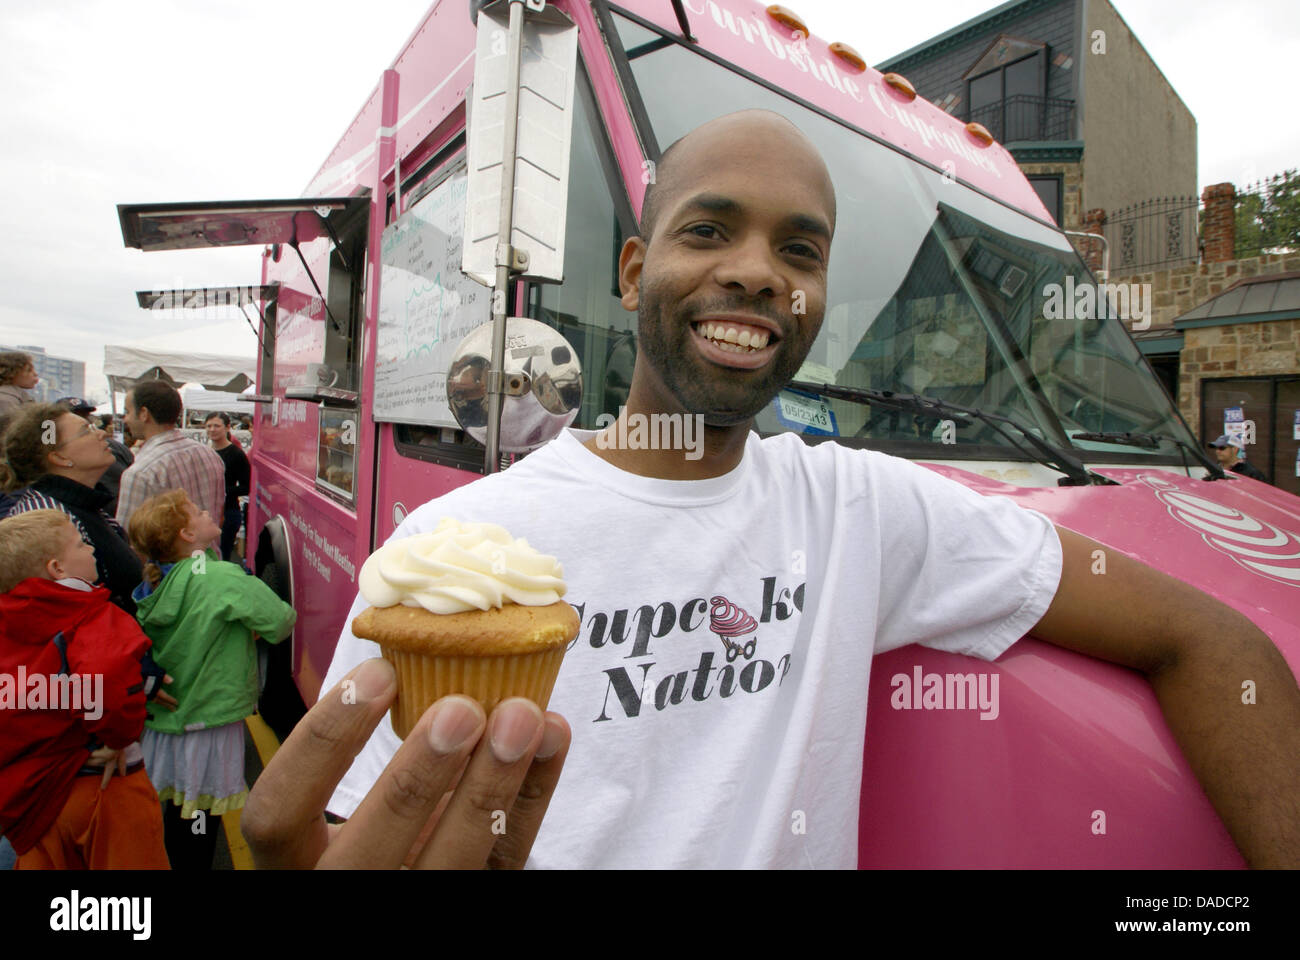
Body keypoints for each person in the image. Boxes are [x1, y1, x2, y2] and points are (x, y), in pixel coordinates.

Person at [242, 111, 1300, 870]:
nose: (756, 271)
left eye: (799, 249)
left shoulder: (861, 509)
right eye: (707, 231)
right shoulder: (455, 545)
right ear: (629, 270)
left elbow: (1210, 642)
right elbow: (344, 835)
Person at [128, 489, 296, 870]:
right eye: (198, 511)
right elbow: (281, 621)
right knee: (202, 820)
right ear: (187, 535)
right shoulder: (220, 576)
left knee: (176, 815)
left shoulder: (154, 583)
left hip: (166, 726)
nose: (207, 512)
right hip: (210, 721)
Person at [0, 509, 170, 870]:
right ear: (57, 569)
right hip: (105, 789)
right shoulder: (90, 614)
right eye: (80, 543)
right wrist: (117, 737)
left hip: (29, 805)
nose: (91, 547)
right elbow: (105, 681)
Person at [2, 403, 143, 613]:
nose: (102, 434)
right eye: (86, 431)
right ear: (59, 458)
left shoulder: (83, 505)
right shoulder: (53, 521)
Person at [115, 381, 225, 543]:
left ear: (144, 413)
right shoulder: (209, 454)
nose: (125, 419)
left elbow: (129, 544)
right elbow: (219, 513)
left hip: (171, 567)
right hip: (206, 562)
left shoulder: (141, 472)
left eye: (128, 412)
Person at [58, 397, 134, 515]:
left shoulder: (114, 447)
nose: (102, 433)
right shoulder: (59, 512)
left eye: (85, 415)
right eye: (84, 430)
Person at [203, 412, 250, 560]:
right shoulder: (204, 452)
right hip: (205, 513)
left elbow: (246, 487)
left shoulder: (236, 454)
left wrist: (221, 491)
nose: (212, 429)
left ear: (228, 427)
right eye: (209, 426)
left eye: (216, 426)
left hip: (228, 513)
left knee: (221, 557)